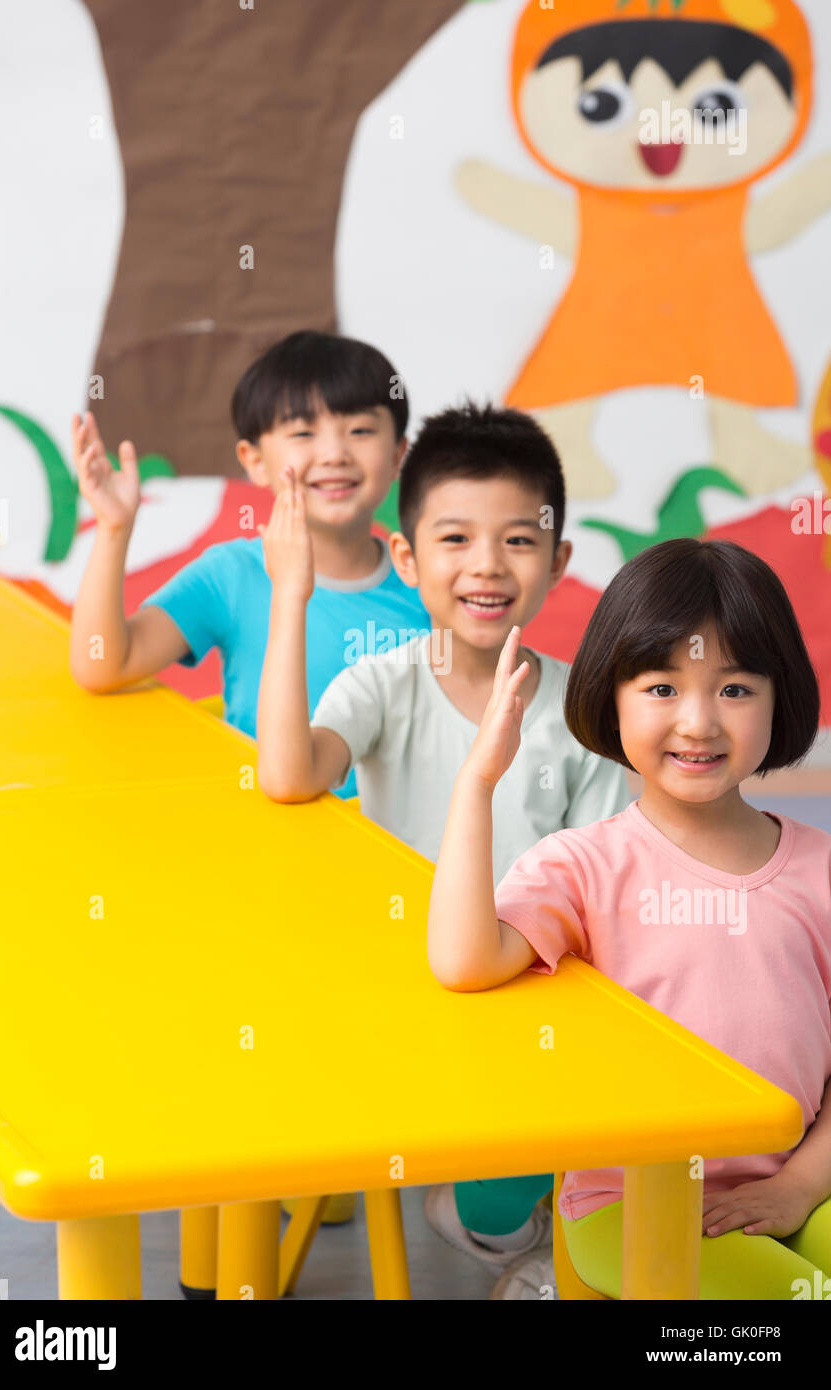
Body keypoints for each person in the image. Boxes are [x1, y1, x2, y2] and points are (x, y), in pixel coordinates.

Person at [257, 400, 631, 1295]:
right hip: (407, 992)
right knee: (502, 1198)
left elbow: (607, 894)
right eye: (456, 539)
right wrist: (291, 593)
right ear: (407, 558)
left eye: (518, 540)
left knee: (538, 1187)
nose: (486, 567)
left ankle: (537, 1230)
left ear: (559, 561)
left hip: (535, 993)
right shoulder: (385, 683)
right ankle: (525, 1229)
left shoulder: (585, 711)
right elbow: (287, 774)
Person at [428, 538, 831, 1299]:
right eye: (661, 688)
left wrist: (800, 1187)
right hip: (628, 1203)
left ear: (781, 699)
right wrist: (476, 784)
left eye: (736, 689)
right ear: (610, 698)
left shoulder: (820, 867)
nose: (700, 722)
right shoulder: (582, 866)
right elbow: (463, 960)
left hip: (800, 1182)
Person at [68, 329, 430, 804]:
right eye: (303, 433)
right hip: (261, 843)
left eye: (360, 430)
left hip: (396, 857)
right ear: (254, 461)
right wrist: (113, 529)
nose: (334, 453)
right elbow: (102, 664)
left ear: (398, 453)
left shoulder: (431, 585)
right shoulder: (232, 574)